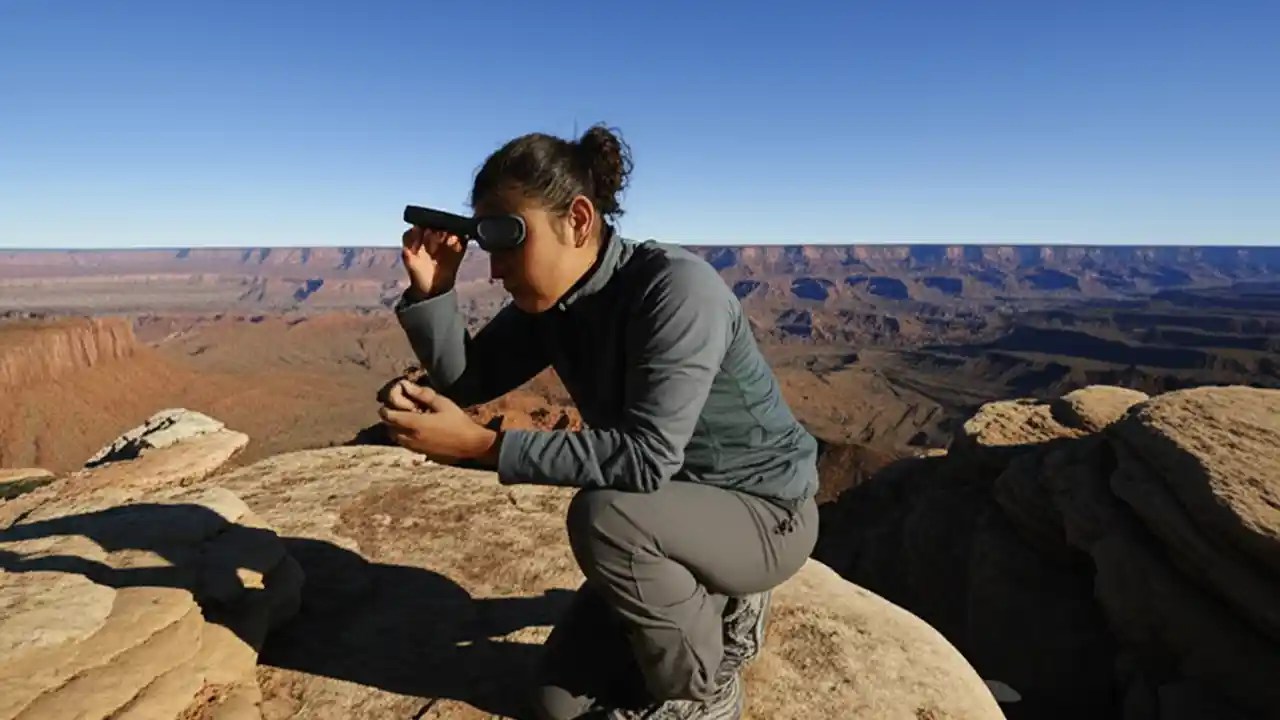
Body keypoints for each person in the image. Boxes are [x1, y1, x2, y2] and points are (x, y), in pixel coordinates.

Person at [379, 124, 820, 719]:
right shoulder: (554, 305)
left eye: (510, 239)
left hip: (764, 510)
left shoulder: (675, 290)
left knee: (605, 516)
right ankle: (702, 596)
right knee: (556, 704)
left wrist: (483, 446)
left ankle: (707, 687)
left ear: (579, 219)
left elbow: (646, 459)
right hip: (669, 508)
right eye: (488, 245)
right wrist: (435, 294)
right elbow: (468, 381)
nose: (497, 268)